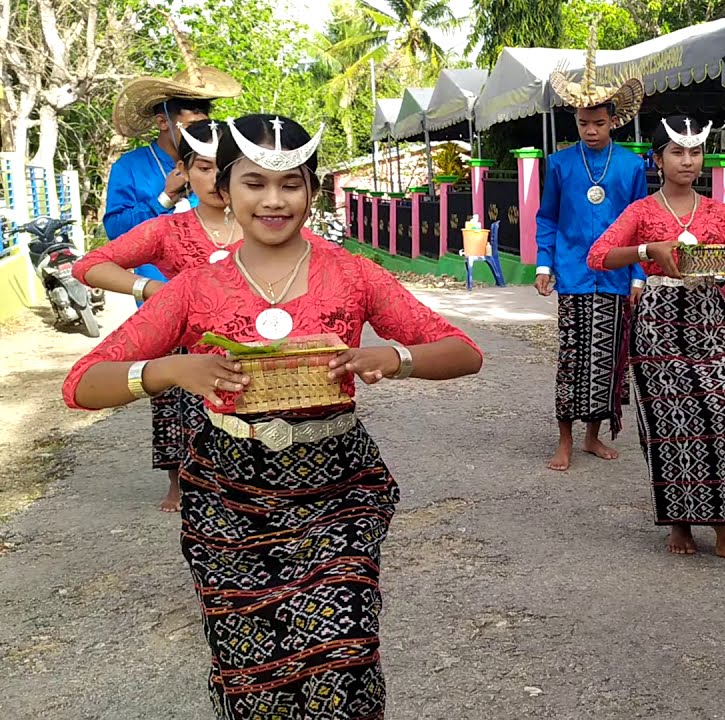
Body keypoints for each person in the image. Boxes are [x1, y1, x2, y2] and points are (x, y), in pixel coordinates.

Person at [62, 114, 483, 718]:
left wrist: (393, 357)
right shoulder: (196, 287)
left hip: (337, 485)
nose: (274, 200)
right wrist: (172, 370)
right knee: (251, 671)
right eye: (254, 183)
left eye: (291, 184)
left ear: (313, 191)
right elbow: (82, 384)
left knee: (343, 653)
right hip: (225, 493)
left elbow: (464, 353)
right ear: (225, 191)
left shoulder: (352, 272)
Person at [586, 115, 725, 560]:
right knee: (671, 423)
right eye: (677, 152)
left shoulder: (715, 211)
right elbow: (599, 255)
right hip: (657, 321)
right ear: (658, 159)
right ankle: (680, 522)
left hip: (708, 317)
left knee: (724, 416)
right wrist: (645, 251)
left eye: (694, 152)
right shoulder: (642, 211)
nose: (687, 160)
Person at [75, 120, 239, 512]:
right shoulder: (168, 230)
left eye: (225, 168)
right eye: (203, 168)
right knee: (177, 406)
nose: (216, 179)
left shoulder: (261, 224)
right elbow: (90, 265)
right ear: (183, 171)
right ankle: (179, 481)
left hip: (247, 341)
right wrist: (154, 290)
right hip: (184, 340)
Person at [535, 28, 648, 471]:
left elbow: (640, 223)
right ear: (575, 121)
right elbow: (547, 218)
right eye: (584, 123)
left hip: (618, 276)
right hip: (573, 272)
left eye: (599, 123)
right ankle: (562, 439)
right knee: (572, 357)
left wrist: (639, 274)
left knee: (607, 359)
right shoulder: (560, 164)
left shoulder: (631, 165)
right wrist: (545, 265)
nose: (592, 130)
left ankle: (591, 437)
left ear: (613, 120)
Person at [104, 32, 241, 301]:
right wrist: (165, 198)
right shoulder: (130, 167)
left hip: (223, 292)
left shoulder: (225, 162)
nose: (197, 137)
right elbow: (116, 232)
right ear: (163, 122)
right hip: (160, 299)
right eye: (190, 128)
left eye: (202, 127)